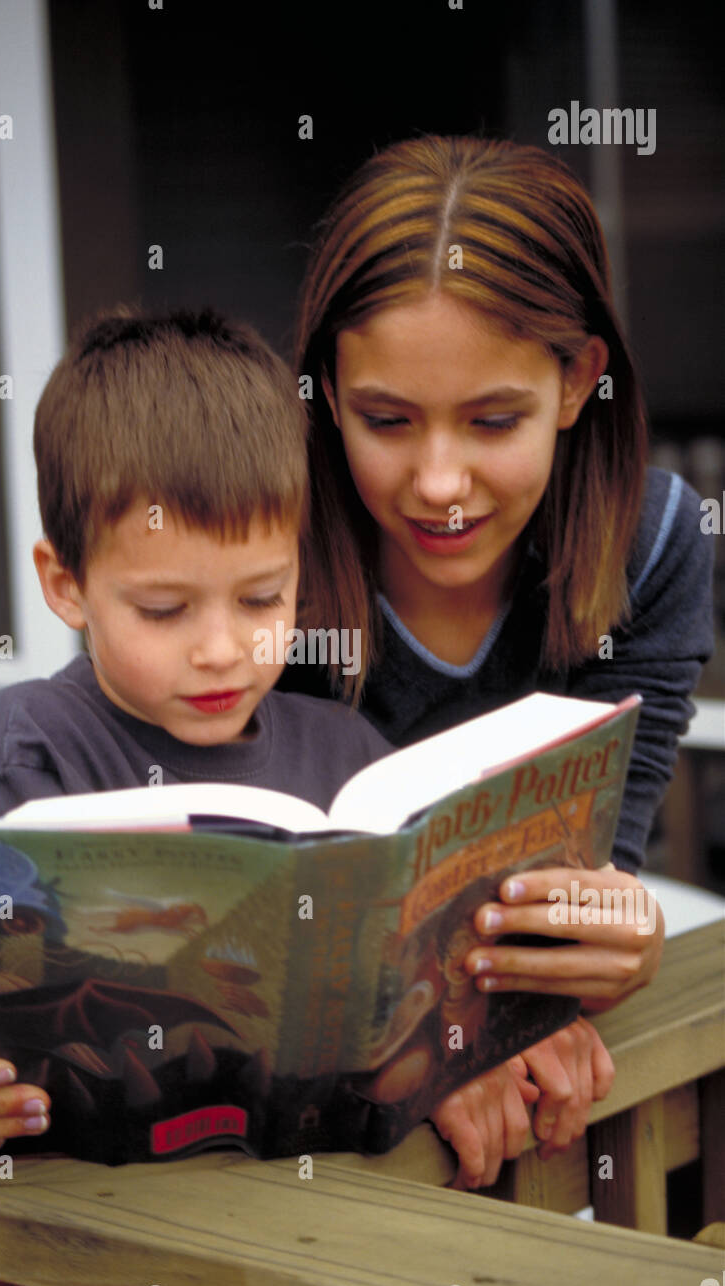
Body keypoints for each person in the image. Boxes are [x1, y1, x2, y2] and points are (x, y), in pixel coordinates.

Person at [0, 307, 548, 1201]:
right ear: (66, 585)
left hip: (323, 1221)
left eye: (261, 599)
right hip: (102, 1229)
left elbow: (413, 989)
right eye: (164, 611)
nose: (220, 649)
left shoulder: (344, 750)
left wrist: (455, 1057)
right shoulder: (42, 738)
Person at [279, 133, 714, 1171]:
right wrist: (428, 1041)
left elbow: (594, 857)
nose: (438, 480)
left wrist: (617, 940)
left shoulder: (646, 546)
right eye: (386, 418)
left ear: (574, 384)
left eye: (491, 419)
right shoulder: (257, 563)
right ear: (328, 396)